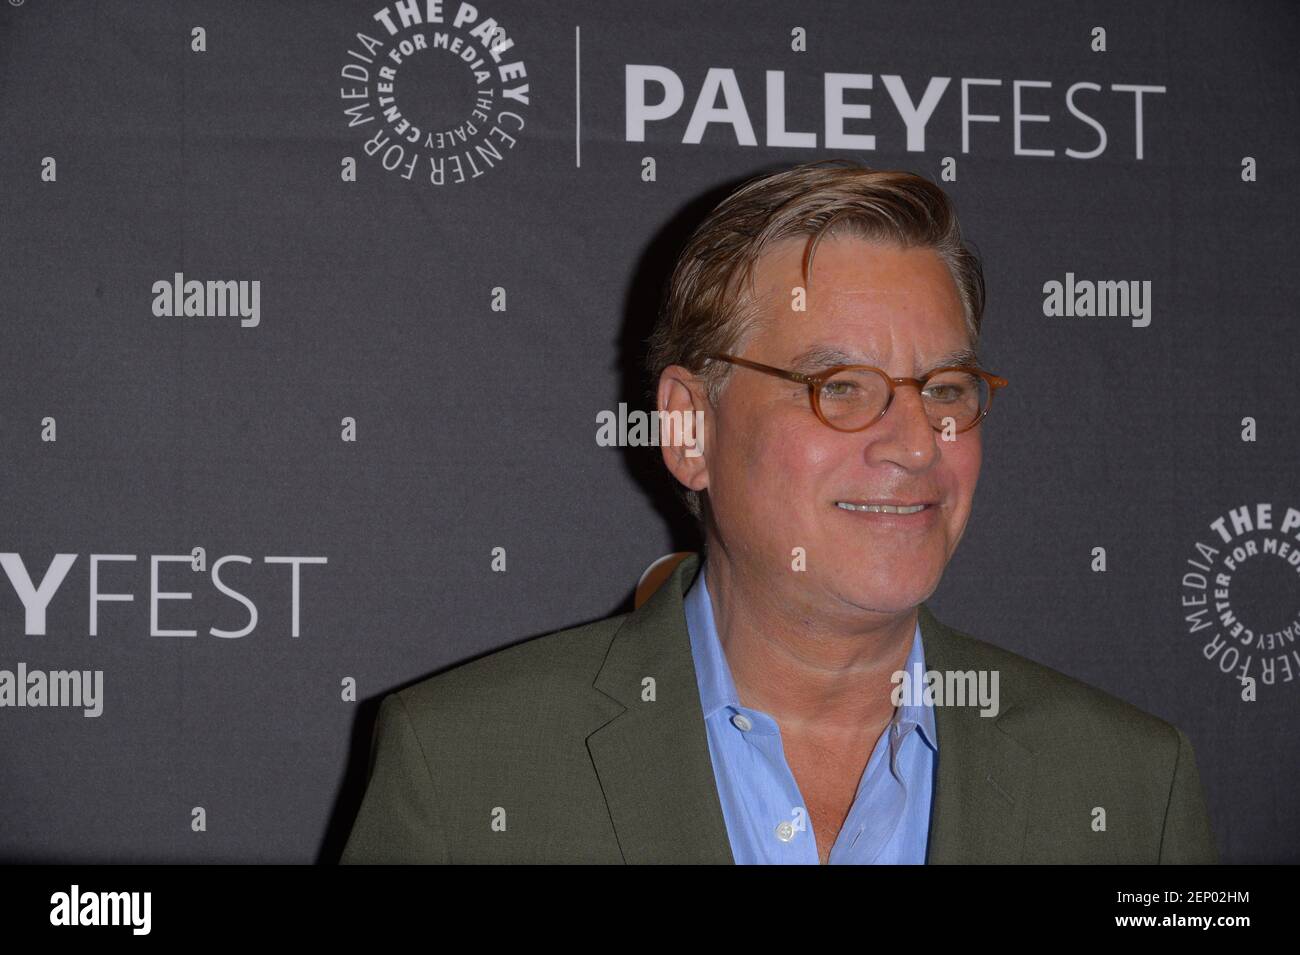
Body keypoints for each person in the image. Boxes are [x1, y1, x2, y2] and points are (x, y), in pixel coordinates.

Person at [339, 158, 1217, 864]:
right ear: (689, 426)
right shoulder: (464, 771)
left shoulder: (1132, 787)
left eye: (945, 387)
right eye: (840, 386)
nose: (918, 442)